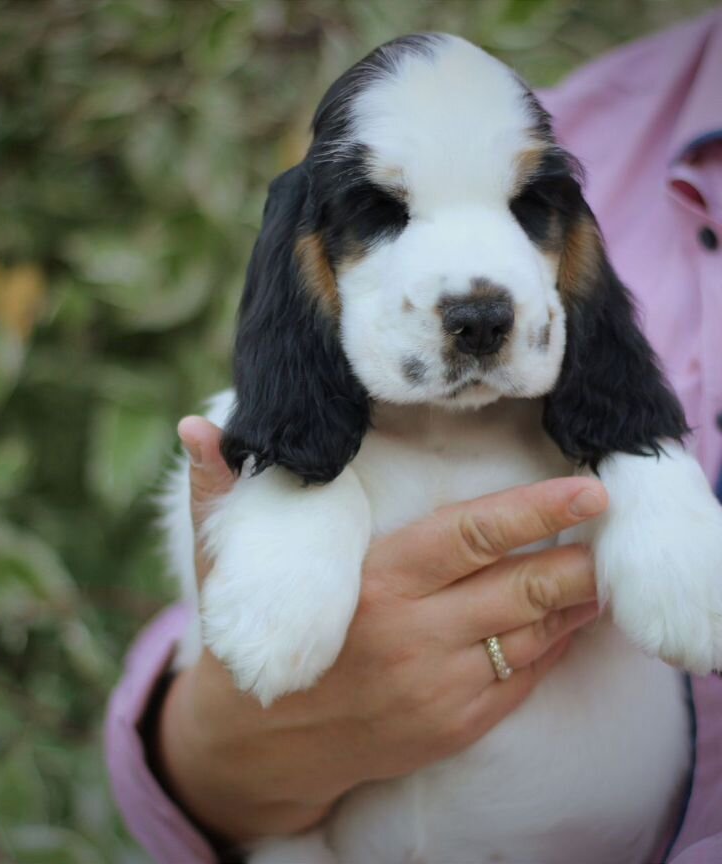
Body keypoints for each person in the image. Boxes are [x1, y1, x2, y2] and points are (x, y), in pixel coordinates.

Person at [105, 9, 722, 863]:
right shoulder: (612, 115)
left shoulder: (589, 320)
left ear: (571, 241)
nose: (478, 294)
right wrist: (299, 503)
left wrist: (656, 483)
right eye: (380, 212)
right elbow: (224, 649)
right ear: (307, 252)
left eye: (524, 208)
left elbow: (627, 416)